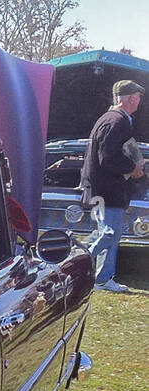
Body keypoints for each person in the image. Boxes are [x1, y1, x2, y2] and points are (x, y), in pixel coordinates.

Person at [81, 79, 145, 292]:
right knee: (109, 233)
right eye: (138, 97)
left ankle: (102, 278)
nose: (139, 101)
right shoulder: (117, 122)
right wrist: (132, 168)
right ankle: (75, 264)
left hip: (104, 187)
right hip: (107, 188)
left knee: (110, 233)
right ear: (130, 99)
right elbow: (108, 158)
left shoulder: (110, 118)